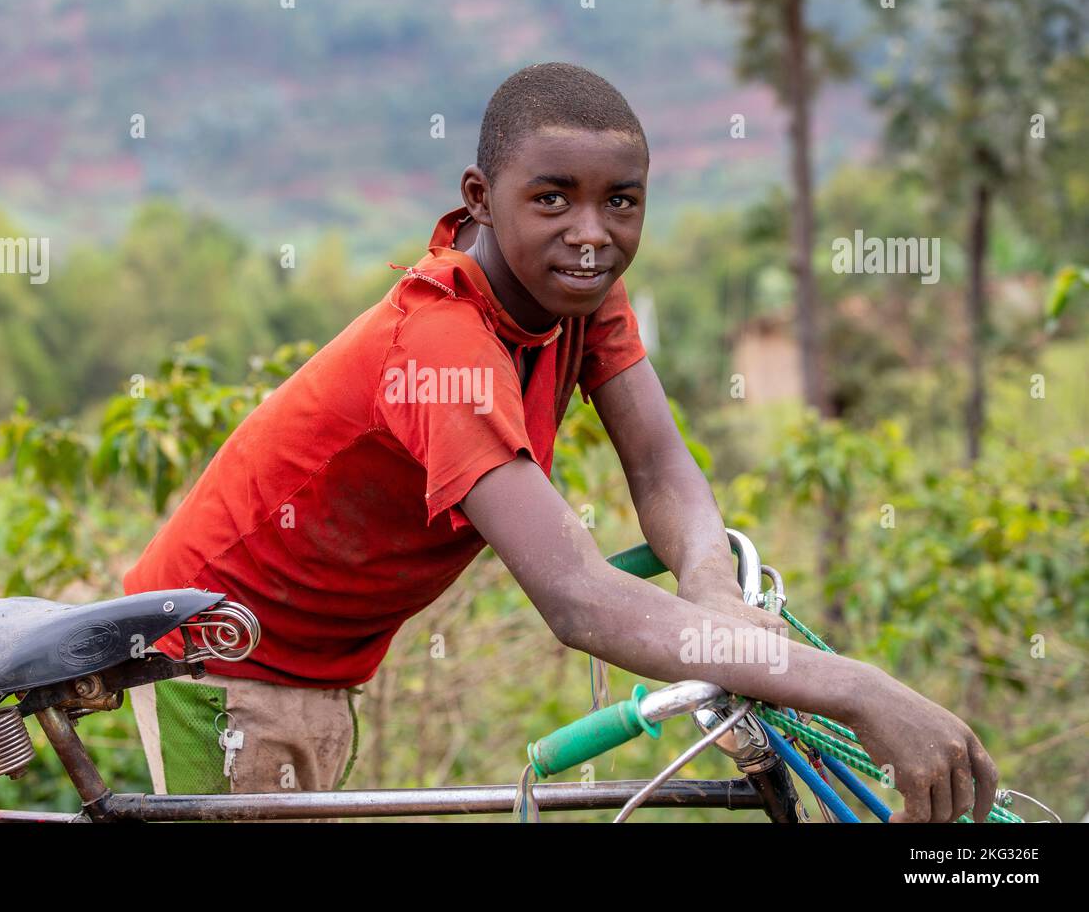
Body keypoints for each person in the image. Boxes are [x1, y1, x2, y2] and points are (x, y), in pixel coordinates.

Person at [125, 61, 999, 823]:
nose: (592, 235)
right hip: (220, 660)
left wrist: (711, 587)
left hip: (324, 666)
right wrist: (856, 687)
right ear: (480, 199)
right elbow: (576, 596)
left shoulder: (578, 293)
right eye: (552, 199)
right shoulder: (443, 345)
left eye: (620, 202)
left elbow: (660, 466)